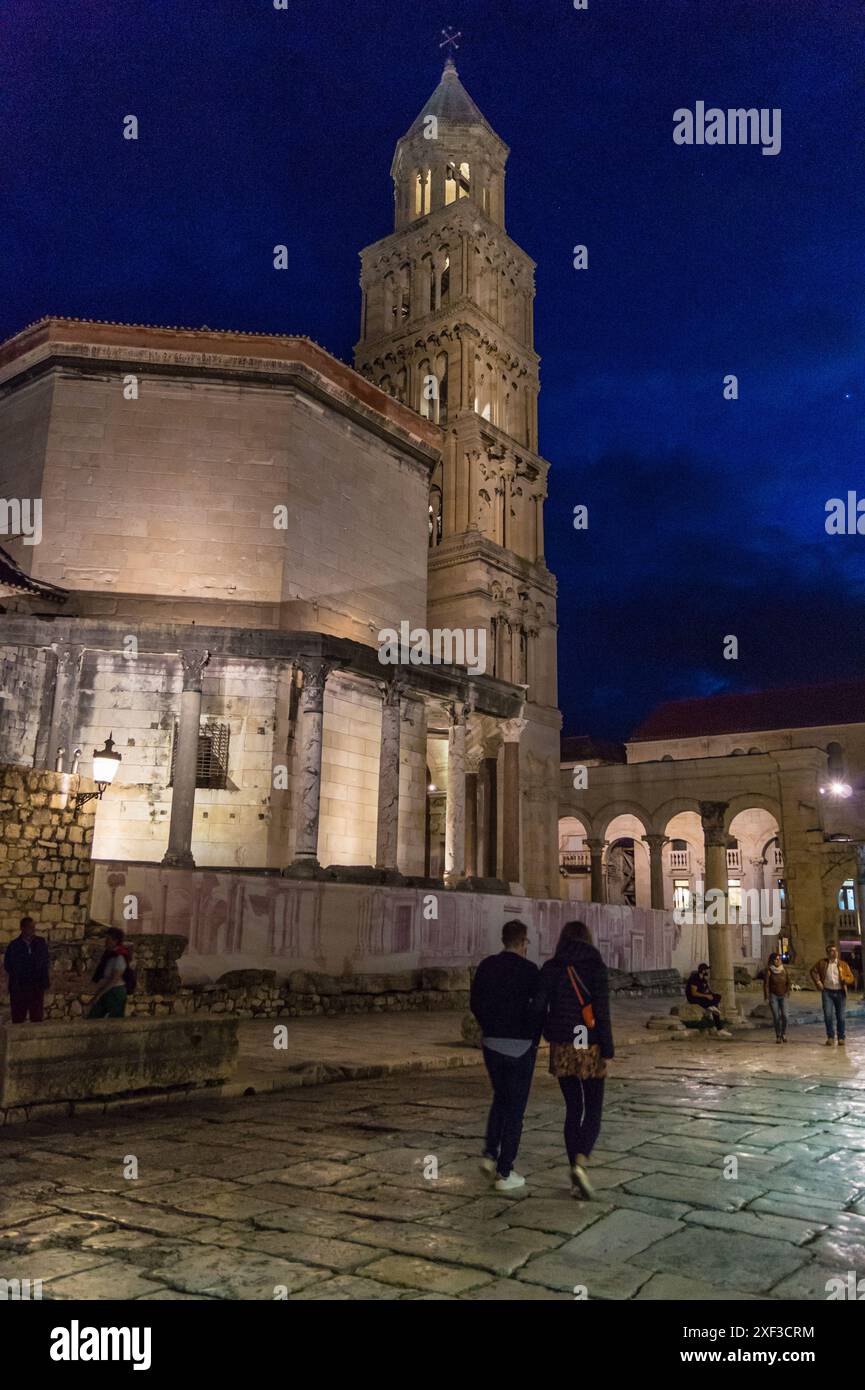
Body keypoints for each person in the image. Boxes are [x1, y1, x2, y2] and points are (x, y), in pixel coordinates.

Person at [530, 920, 613, 1200]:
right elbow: (601, 1011)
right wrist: (608, 1048)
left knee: (572, 1109)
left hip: (564, 1044)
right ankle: (581, 1163)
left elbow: (540, 1006)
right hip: (589, 1044)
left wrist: (547, 1033)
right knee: (593, 1110)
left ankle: (575, 1180)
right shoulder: (596, 967)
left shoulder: (552, 967)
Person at [469, 919, 540, 1193]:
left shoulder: (487, 966)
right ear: (523, 942)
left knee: (500, 1098)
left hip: (492, 1044)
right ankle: (505, 1170)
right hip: (520, 1047)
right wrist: (532, 1037)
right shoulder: (531, 971)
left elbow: (475, 1002)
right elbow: (538, 1008)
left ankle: (489, 1153)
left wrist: (488, 1027)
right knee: (516, 1109)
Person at [3, 916, 50, 1023]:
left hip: (36, 987)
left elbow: (45, 961)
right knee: (18, 1017)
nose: (33, 930)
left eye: (33, 927)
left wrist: (44, 982)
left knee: (37, 1017)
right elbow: (8, 965)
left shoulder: (40, 943)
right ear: (22, 928)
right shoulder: (14, 945)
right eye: (30, 927)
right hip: (19, 987)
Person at [810, 943, 854, 1047]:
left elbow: (851, 977)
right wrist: (818, 982)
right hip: (827, 992)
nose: (834, 952)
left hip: (840, 992)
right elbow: (813, 971)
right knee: (828, 1015)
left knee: (841, 1017)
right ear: (827, 953)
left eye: (835, 950)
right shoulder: (822, 963)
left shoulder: (843, 964)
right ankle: (830, 1037)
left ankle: (841, 1038)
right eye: (831, 951)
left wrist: (845, 980)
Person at [88, 927, 133, 1018]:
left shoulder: (120, 957)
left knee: (115, 1020)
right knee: (93, 1017)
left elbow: (114, 980)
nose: (106, 941)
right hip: (107, 990)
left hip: (115, 992)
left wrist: (99, 994)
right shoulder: (110, 954)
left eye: (108, 939)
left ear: (115, 941)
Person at [685, 962, 732, 1038]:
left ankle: (712, 1008)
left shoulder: (703, 979)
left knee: (717, 997)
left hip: (702, 997)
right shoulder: (694, 978)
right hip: (693, 998)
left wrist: (711, 995)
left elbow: (707, 990)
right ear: (703, 971)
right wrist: (707, 996)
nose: (708, 972)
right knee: (710, 1002)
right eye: (707, 970)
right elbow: (694, 993)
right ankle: (719, 1027)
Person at [763, 950, 791, 1043]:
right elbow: (766, 984)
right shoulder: (769, 971)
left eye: (779, 959)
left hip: (783, 995)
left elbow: (788, 982)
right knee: (776, 1016)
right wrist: (767, 996)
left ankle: (784, 1033)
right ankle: (778, 1035)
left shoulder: (784, 970)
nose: (778, 961)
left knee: (785, 1016)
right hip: (773, 995)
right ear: (772, 960)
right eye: (776, 959)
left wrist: (787, 992)